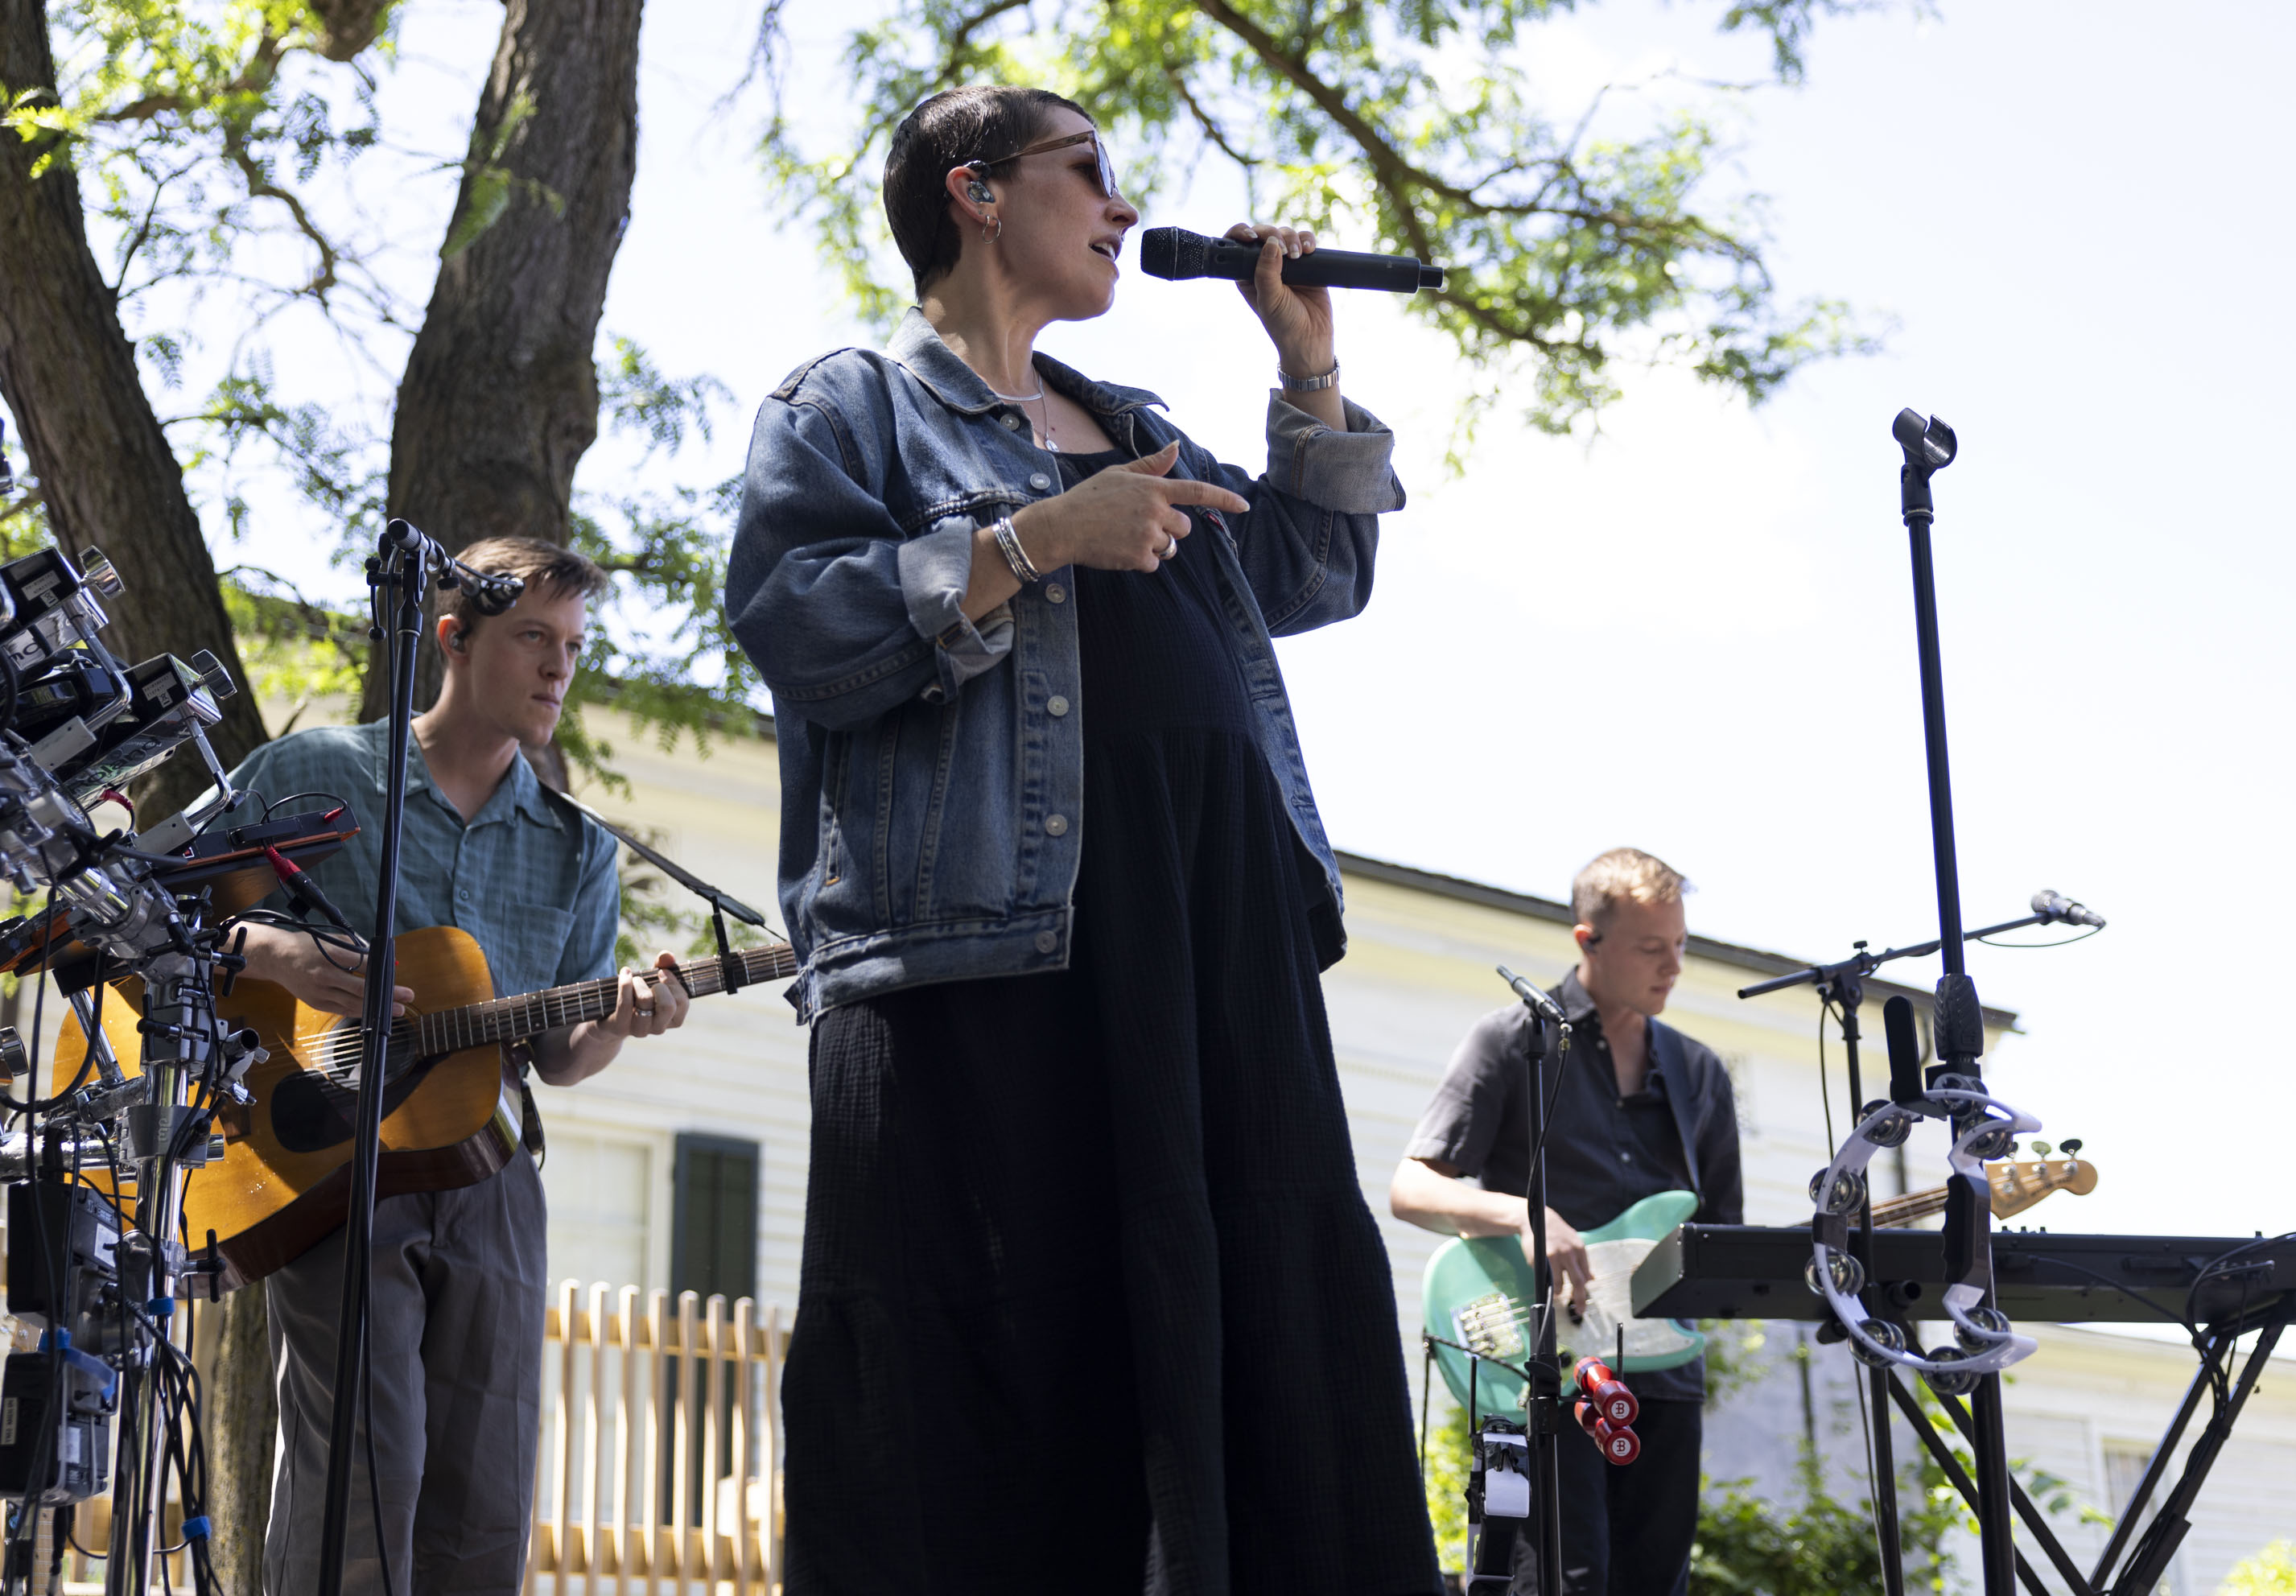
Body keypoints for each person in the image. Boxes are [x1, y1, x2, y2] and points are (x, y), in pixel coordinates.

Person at [728, 84, 1438, 1596]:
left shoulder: (1139, 429)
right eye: (1090, 174)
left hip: (1208, 937)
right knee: (989, 1364)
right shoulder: (850, 404)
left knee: (1251, 1343)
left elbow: (1315, 570)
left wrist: (1307, 361)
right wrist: (1041, 535)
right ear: (977, 193)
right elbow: (799, 624)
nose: (1124, 208)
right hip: (986, 949)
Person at [225, 536, 694, 1595]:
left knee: (486, 1496)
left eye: (573, 644)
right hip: (332, 1167)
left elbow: (562, 1056)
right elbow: (156, 903)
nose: (558, 666)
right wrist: (284, 950)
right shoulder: (318, 775)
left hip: (491, 1174)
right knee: (359, 1481)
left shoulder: (581, 844)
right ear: (452, 636)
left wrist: (625, 1016)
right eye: (534, 635)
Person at [1390, 848, 1743, 1596]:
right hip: (1522, 1372)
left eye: (1680, 944)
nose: (1673, 965)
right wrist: (1524, 1215)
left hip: (1663, 1377)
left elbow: (1723, 1243)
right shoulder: (1510, 1039)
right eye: (1651, 947)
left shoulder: (1702, 1073)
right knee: (1535, 1582)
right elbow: (1410, 1186)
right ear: (1586, 941)